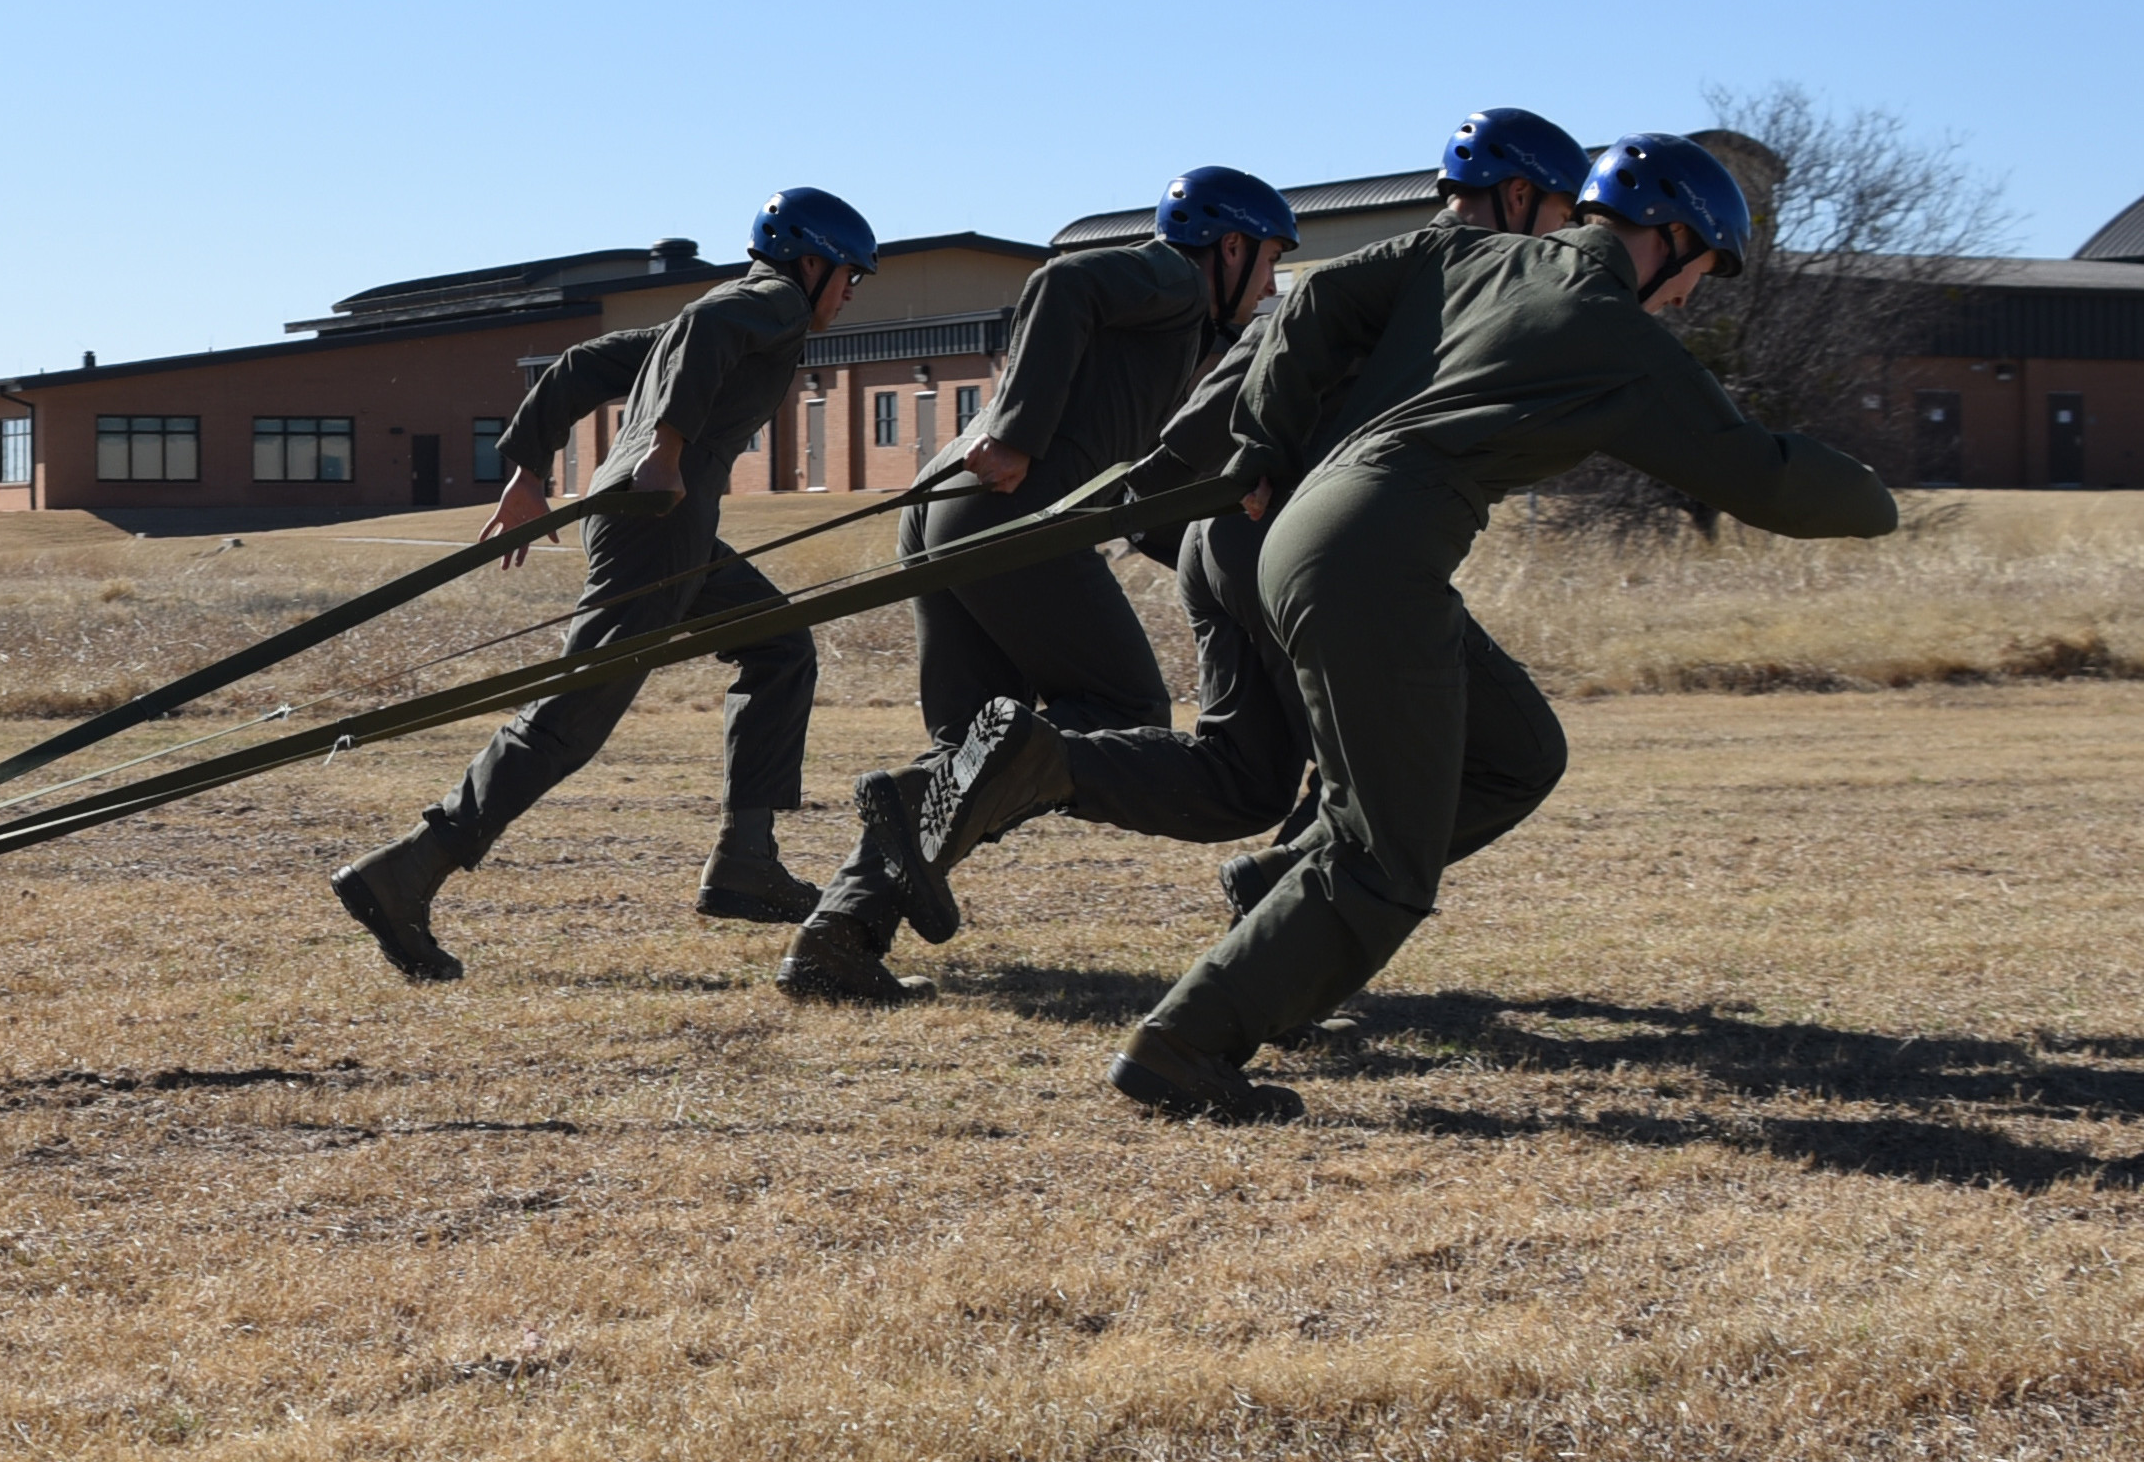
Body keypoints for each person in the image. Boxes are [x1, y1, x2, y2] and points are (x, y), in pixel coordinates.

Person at [1107, 134, 1897, 1121]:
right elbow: (1763, 475)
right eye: (1704, 271)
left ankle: (1279, 887)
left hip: (1305, 531)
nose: (1694, 297)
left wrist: (1264, 440)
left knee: (1517, 751)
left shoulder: (1468, 252)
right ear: (1674, 237)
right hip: (1372, 561)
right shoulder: (1622, 338)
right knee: (1383, 862)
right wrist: (1880, 501)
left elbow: (1306, 298)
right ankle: (1185, 1044)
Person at [904, 108, 1604, 933]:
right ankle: (1291, 912)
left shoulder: (1334, 286)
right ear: (1519, 195)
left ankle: (882, 861)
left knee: (1232, 776)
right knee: (1428, 752)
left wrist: (1184, 531)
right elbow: (1076, 291)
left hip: (1106, 529)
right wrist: (1028, 437)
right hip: (1233, 544)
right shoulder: (1443, 290)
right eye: (1564, 213)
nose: (1272, 283)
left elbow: (1197, 425)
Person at [330, 188, 880, 982]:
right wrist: (664, 448)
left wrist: (527, 471)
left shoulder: (735, 306)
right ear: (809, 261)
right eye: (848, 275)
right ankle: (408, 868)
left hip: (661, 521)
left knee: (779, 645)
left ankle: (744, 861)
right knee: (572, 713)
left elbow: (583, 364)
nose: (850, 293)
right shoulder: (769, 301)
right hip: (656, 515)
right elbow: (705, 332)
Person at [778, 166, 1296, 1004]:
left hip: (951, 509)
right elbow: (1064, 278)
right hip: (1004, 514)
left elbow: (1137, 502)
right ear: (1228, 246)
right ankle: (904, 812)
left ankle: (837, 934)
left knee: (974, 748)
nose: (1271, 283)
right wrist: (1017, 433)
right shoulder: (1170, 277)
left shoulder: (1174, 346)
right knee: (1123, 709)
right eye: (1271, 258)